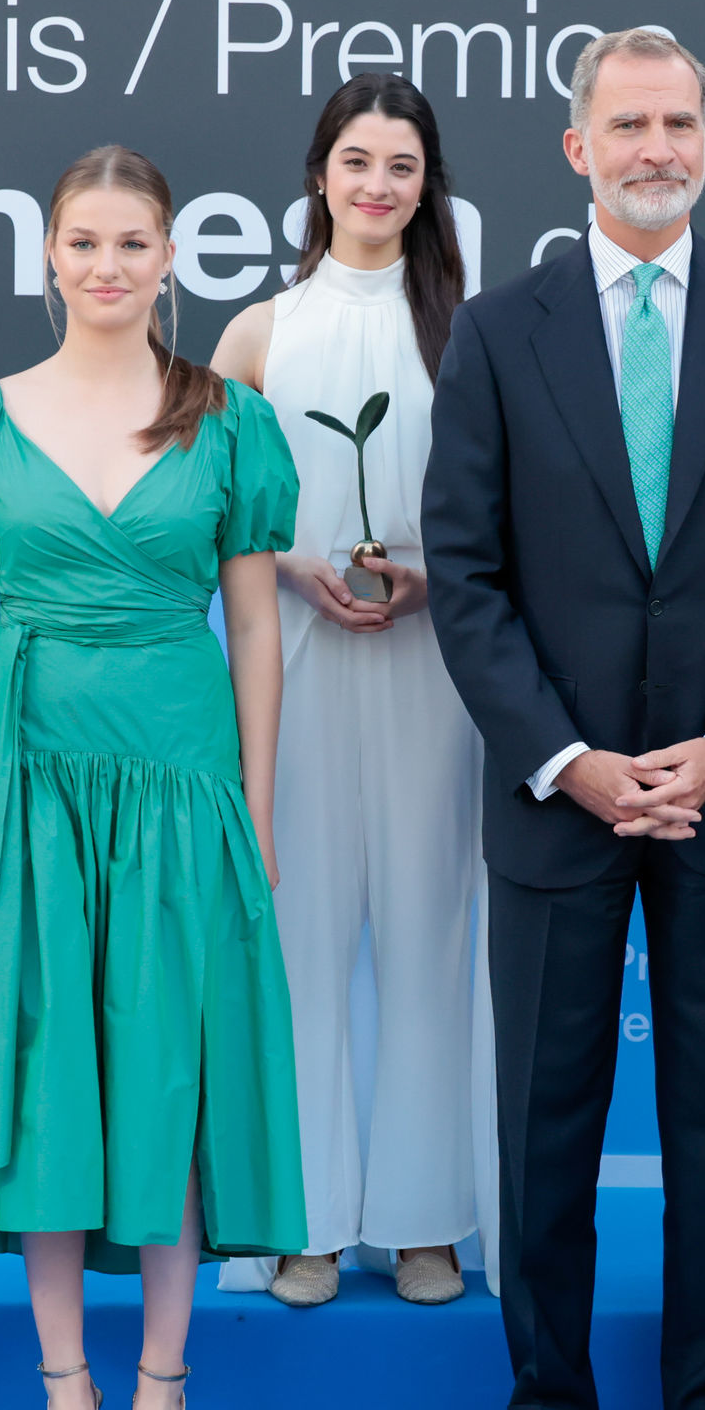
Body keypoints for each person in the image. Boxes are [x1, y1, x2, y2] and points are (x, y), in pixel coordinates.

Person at [423, 29, 705, 1410]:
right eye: (628, 122)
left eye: (679, 121)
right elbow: (465, 577)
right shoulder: (497, 327)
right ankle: (545, 1406)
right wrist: (571, 758)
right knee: (546, 1109)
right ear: (577, 146)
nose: (655, 145)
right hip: (559, 794)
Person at [0, 145, 305, 1410]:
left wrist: (253, 809)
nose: (107, 265)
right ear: (48, 257)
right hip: (26, 784)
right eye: (84, 241)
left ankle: (163, 1390)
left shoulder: (231, 422)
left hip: (181, 780)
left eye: (133, 242)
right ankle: (65, 1389)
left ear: (171, 260)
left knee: (164, 1075)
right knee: (48, 1084)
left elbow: (255, 627)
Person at [211, 73, 494, 1311]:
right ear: (318, 173)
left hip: (438, 668)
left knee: (435, 936)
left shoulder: (473, 330)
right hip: (292, 662)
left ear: (429, 186)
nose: (378, 185)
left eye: (403, 166)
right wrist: (291, 567)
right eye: (357, 161)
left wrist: (434, 578)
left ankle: (426, 1218)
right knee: (300, 937)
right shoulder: (255, 334)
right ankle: (306, 1218)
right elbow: (212, 517)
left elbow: (503, 509)